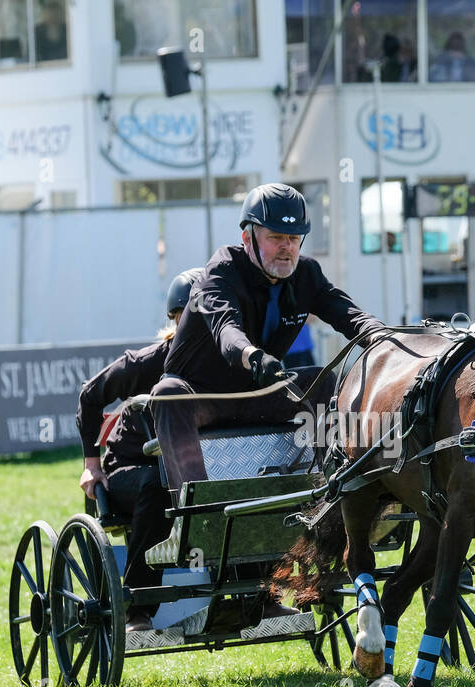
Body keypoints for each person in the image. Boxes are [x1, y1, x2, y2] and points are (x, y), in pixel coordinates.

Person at [150, 183, 387, 490]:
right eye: (275, 237)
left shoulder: (307, 274)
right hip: (201, 398)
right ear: (247, 238)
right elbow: (227, 331)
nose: (287, 247)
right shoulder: (220, 272)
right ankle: (199, 508)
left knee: (322, 382)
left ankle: (334, 486)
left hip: (258, 394)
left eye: (293, 238)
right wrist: (254, 357)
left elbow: (347, 314)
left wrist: (382, 335)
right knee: (167, 392)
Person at [76, 268, 200, 632]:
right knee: (156, 485)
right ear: (177, 319)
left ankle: (259, 597)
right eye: (193, 317)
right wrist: (90, 464)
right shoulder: (146, 363)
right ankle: (138, 609)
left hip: (188, 467)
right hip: (128, 469)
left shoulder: (219, 364)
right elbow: (90, 395)